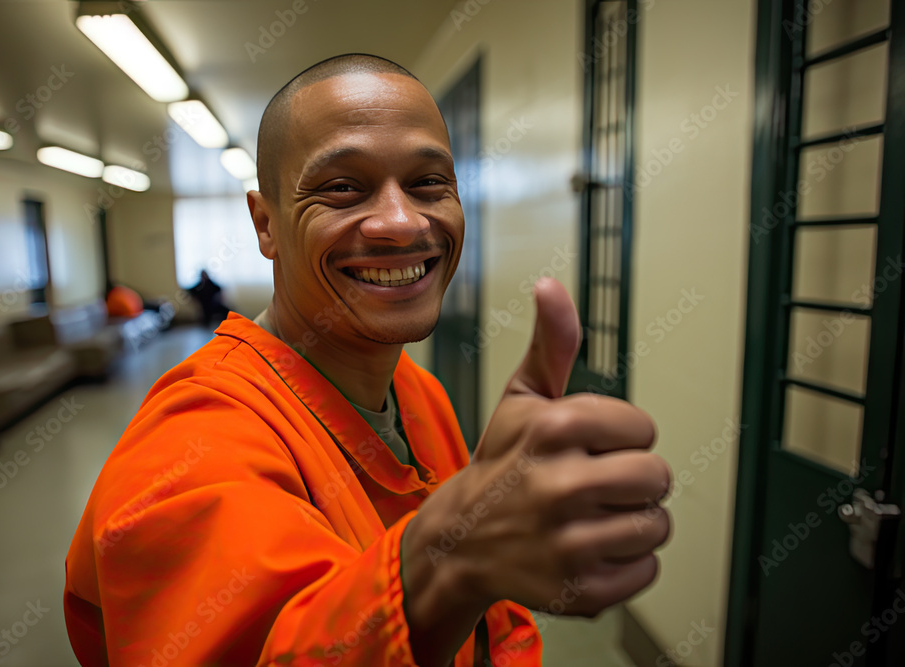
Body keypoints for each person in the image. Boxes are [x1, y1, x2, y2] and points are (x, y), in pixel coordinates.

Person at [63, 54, 671, 666]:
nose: (402, 223)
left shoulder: (417, 392)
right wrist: (444, 565)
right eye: (342, 188)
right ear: (265, 222)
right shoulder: (189, 445)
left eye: (429, 183)